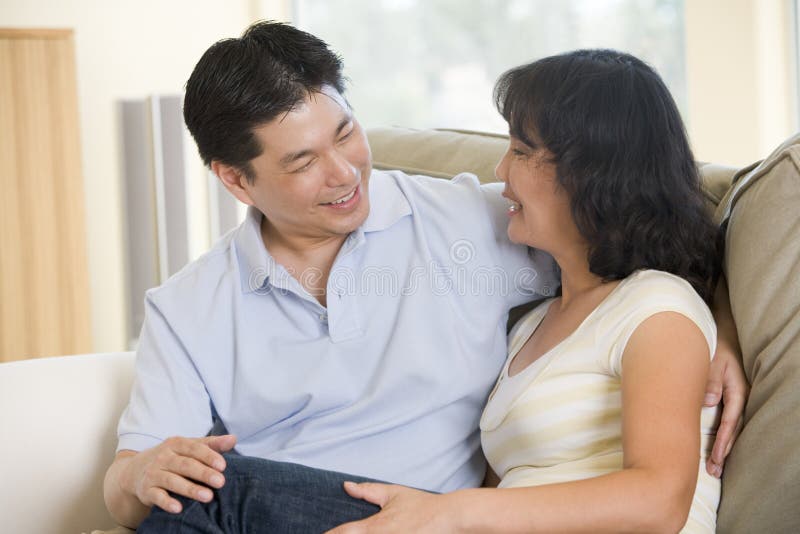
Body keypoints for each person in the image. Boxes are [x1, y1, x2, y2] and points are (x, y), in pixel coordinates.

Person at [103, 22, 746, 532]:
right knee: (197, 494)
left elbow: (641, 218)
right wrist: (136, 477)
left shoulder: (474, 222)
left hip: (433, 520)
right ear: (236, 179)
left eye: (347, 133)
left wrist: (719, 326)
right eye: (303, 161)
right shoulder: (186, 308)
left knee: (221, 492)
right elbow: (132, 490)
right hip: (279, 517)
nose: (345, 173)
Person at [328, 50, 733, 533]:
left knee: (228, 497)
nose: (500, 170)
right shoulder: (534, 326)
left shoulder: (657, 308)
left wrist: (451, 512)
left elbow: (659, 501)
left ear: (593, 174)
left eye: (520, 151)